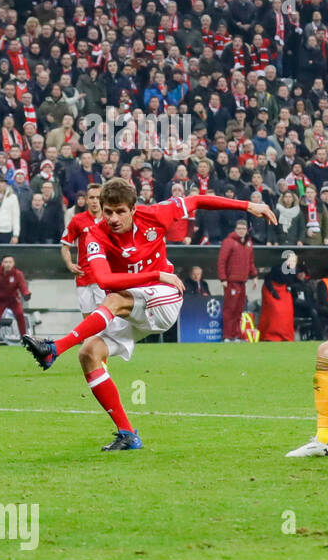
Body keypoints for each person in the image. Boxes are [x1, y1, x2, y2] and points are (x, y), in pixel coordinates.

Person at [21, 178, 276, 451]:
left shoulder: (156, 214)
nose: (114, 218)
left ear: (133, 208)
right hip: (136, 305)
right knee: (89, 353)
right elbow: (105, 280)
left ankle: (55, 348)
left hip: (164, 299)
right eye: (108, 212)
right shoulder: (96, 235)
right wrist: (156, 271)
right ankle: (128, 434)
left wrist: (249, 205)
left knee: (115, 301)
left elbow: (199, 200)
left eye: (120, 211)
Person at [59, 182, 104, 317]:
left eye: (98, 197)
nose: (95, 201)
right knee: (88, 318)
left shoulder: (110, 219)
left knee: (105, 316)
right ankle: (90, 339)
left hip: (104, 275)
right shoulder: (77, 220)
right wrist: (69, 264)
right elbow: (65, 246)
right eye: (91, 198)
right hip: (83, 275)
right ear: (86, 200)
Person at [218, 218, 255, 341]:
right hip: (231, 280)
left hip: (242, 280)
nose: (241, 231)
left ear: (247, 230)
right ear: (235, 229)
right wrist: (223, 278)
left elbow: (250, 262)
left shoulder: (248, 244)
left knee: (239, 310)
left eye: (243, 228)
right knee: (230, 309)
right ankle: (227, 336)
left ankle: (236, 335)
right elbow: (222, 261)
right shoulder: (228, 242)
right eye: (239, 228)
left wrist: (254, 276)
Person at [0, 256, 30, 341]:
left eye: (10, 262)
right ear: (2, 263)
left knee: (20, 314)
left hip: (13, 300)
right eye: (6, 262)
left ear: (13, 264)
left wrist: (26, 294)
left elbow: (23, 286)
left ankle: (24, 338)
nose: (8, 264)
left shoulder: (18, 274)